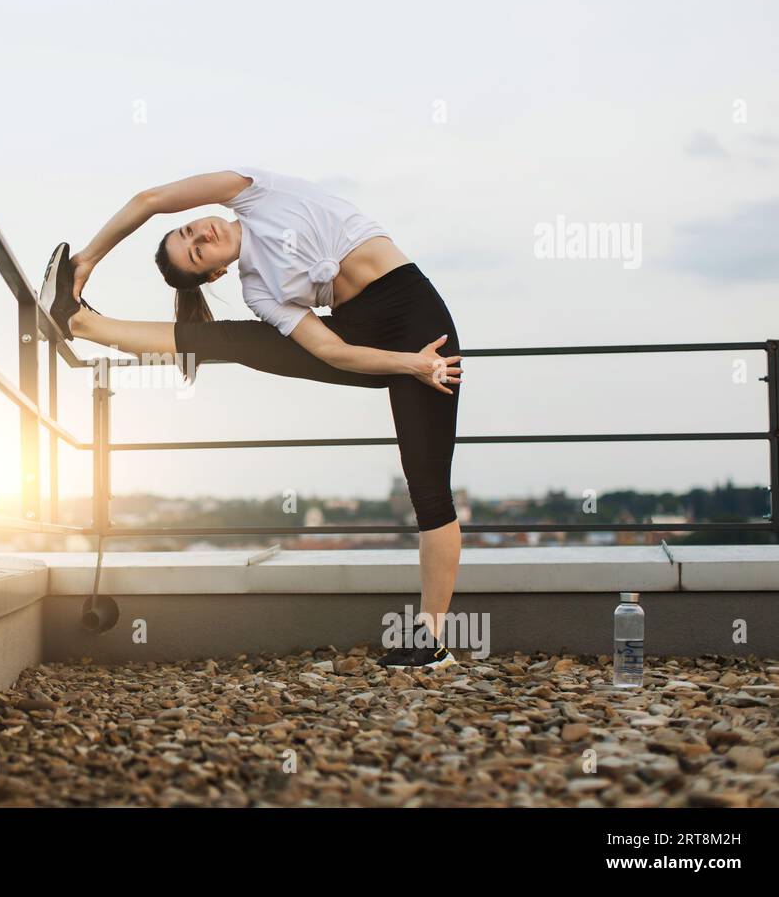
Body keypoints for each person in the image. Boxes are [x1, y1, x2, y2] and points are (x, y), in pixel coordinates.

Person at [39, 167, 463, 669]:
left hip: (424, 332)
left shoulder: (256, 192)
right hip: (362, 346)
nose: (201, 234)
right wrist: (406, 365)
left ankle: (432, 640)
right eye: (197, 251)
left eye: (189, 230)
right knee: (231, 340)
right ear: (215, 273)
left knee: (429, 489)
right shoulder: (258, 290)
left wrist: (85, 261)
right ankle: (79, 321)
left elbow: (150, 198)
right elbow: (331, 350)